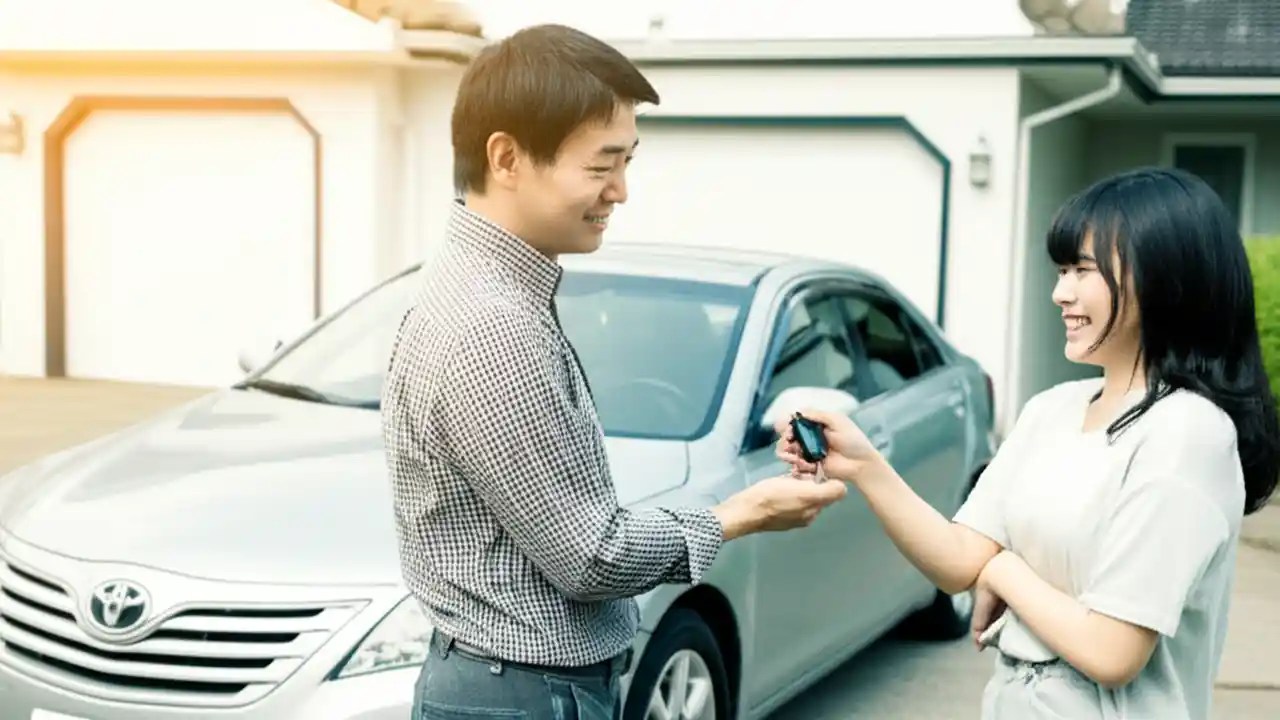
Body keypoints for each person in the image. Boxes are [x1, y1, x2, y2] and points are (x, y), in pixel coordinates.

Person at [380, 23, 847, 720]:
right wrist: (741, 512)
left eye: (627, 162)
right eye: (602, 166)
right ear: (506, 157)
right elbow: (591, 557)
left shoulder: (481, 290)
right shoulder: (493, 327)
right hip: (522, 695)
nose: (621, 191)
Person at [777, 167, 1280, 720]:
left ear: (1163, 278)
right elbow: (956, 562)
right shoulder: (1052, 410)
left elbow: (1112, 650)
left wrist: (1003, 572)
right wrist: (865, 466)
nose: (1060, 293)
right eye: (1062, 270)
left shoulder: (1187, 432)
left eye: (1082, 270)